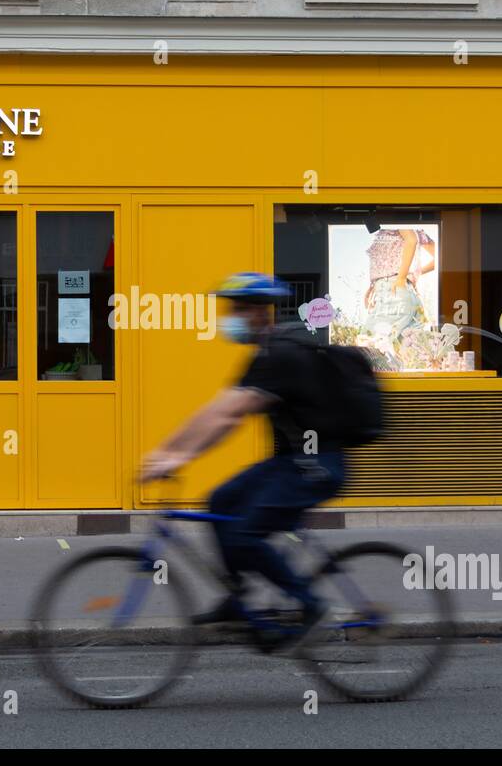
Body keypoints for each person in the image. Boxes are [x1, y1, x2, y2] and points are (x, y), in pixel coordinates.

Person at [139, 272, 347, 642]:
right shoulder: (262, 356)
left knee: (243, 532)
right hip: (291, 464)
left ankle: (309, 603)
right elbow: (216, 409)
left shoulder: (281, 354)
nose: (230, 316)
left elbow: (229, 416)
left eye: (237, 309)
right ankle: (239, 600)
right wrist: (166, 449)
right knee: (221, 501)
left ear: (257, 313)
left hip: (316, 466)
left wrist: (177, 458)